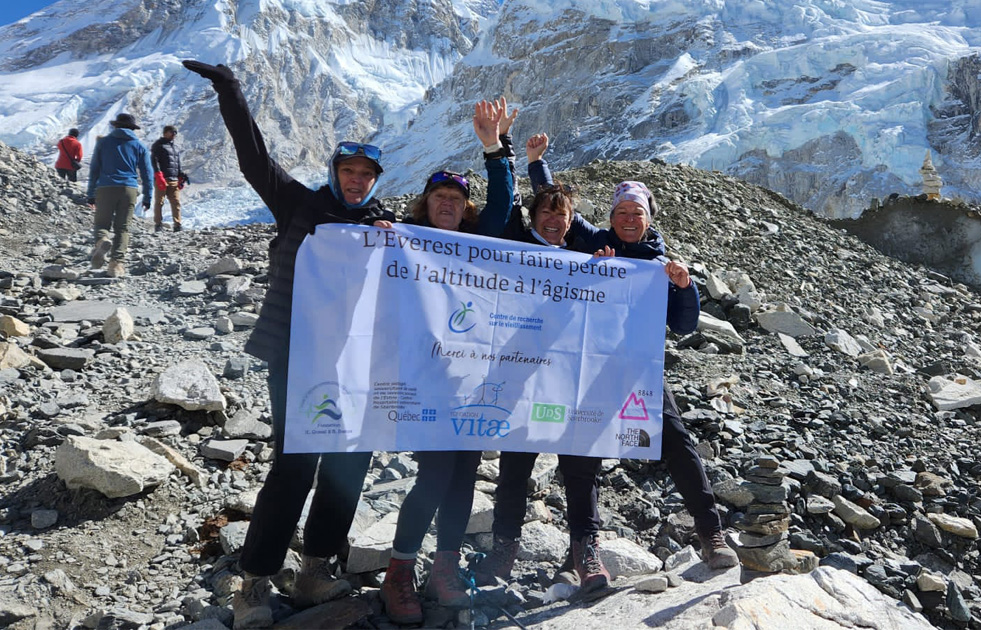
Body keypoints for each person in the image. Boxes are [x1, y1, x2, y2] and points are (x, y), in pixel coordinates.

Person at [182, 59, 393, 630]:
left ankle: (317, 568)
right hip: (297, 354)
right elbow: (254, 159)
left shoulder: (385, 226)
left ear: (374, 180)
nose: (356, 180)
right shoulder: (298, 203)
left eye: (365, 174)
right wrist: (230, 90)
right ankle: (254, 579)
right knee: (295, 464)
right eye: (348, 171)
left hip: (357, 364)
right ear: (335, 172)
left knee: (349, 464)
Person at [479, 134, 739, 591]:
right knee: (554, 453)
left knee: (675, 442)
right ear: (611, 217)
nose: (628, 220)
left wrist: (685, 287)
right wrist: (536, 163)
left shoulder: (661, 264)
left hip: (635, 369)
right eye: (621, 212)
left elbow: (683, 325)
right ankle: (546, 550)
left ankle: (709, 533)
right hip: (575, 365)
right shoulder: (595, 241)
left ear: (649, 217)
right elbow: (555, 210)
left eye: (637, 213)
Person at [378, 99, 514, 626]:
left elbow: (502, 204)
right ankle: (398, 572)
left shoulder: (478, 243)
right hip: (424, 382)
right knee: (434, 476)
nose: (448, 205)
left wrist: (494, 149)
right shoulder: (405, 240)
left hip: (472, 382)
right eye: (440, 197)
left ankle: (444, 568)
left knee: (462, 477)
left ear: (464, 208)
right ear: (426, 203)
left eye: (456, 199)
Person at [86, 114, 152, 278]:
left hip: (105, 187)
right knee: (122, 228)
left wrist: (91, 194)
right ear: (132, 129)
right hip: (128, 188)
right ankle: (115, 265)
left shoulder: (103, 143)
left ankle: (101, 241)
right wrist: (148, 197)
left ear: (115, 126)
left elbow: (94, 169)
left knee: (102, 223)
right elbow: (147, 174)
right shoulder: (139, 146)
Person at [151, 125, 184, 232]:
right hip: (162, 179)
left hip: (174, 179)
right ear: (165, 133)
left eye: (175, 132)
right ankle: (158, 224)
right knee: (159, 202)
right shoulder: (158, 145)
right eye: (171, 132)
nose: (174, 134)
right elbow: (154, 160)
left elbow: (177, 163)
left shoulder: (175, 148)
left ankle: (177, 225)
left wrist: (181, 175)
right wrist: (158, 174)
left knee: (176, 202)